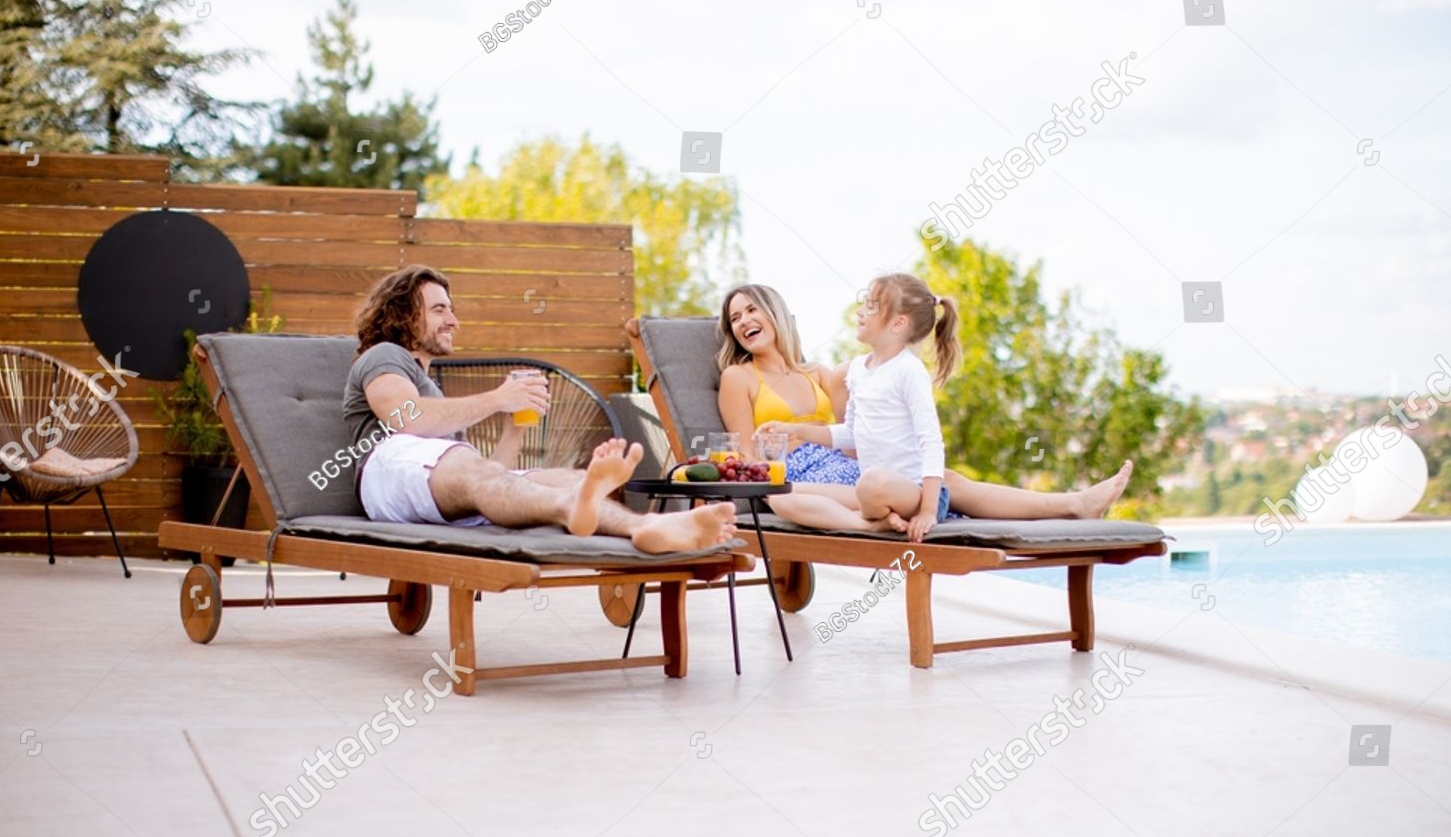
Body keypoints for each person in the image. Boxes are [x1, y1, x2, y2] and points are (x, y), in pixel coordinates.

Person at [342, 265, 736, 553]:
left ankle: (645, 525)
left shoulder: (433, 392)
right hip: (386, 472)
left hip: (437, 485)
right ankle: (570, 507)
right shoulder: (384, 355)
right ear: (401, 314)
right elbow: (405, 418)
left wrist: (515, 425)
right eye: (439, 309)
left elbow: (491, 476)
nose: (454, 320)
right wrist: (498, 398)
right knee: (482, 475)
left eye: (451, 309)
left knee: (569, 480)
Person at [756, 273, 1133, 542]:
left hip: (914, 490)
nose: (860, 312)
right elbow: (851, 433)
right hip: (877, 491)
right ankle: (873, 524)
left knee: (873, 482)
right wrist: (799, 431)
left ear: (897, 324)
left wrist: (925, 511)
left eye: (871, 306)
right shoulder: (858, 370)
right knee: (779, 491)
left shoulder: (908, 371)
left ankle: (1074, 505)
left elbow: (930, 442)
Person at [716, 283, 861, 485]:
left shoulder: (816, 373)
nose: (744, 321)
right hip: (795, 470)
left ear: (775, 313)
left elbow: (857, 427)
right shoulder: (738, 376)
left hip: (844, 460)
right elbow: (745, 455)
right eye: (735, 318)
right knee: (879, 489)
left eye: (751, 310)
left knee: (892, 479)